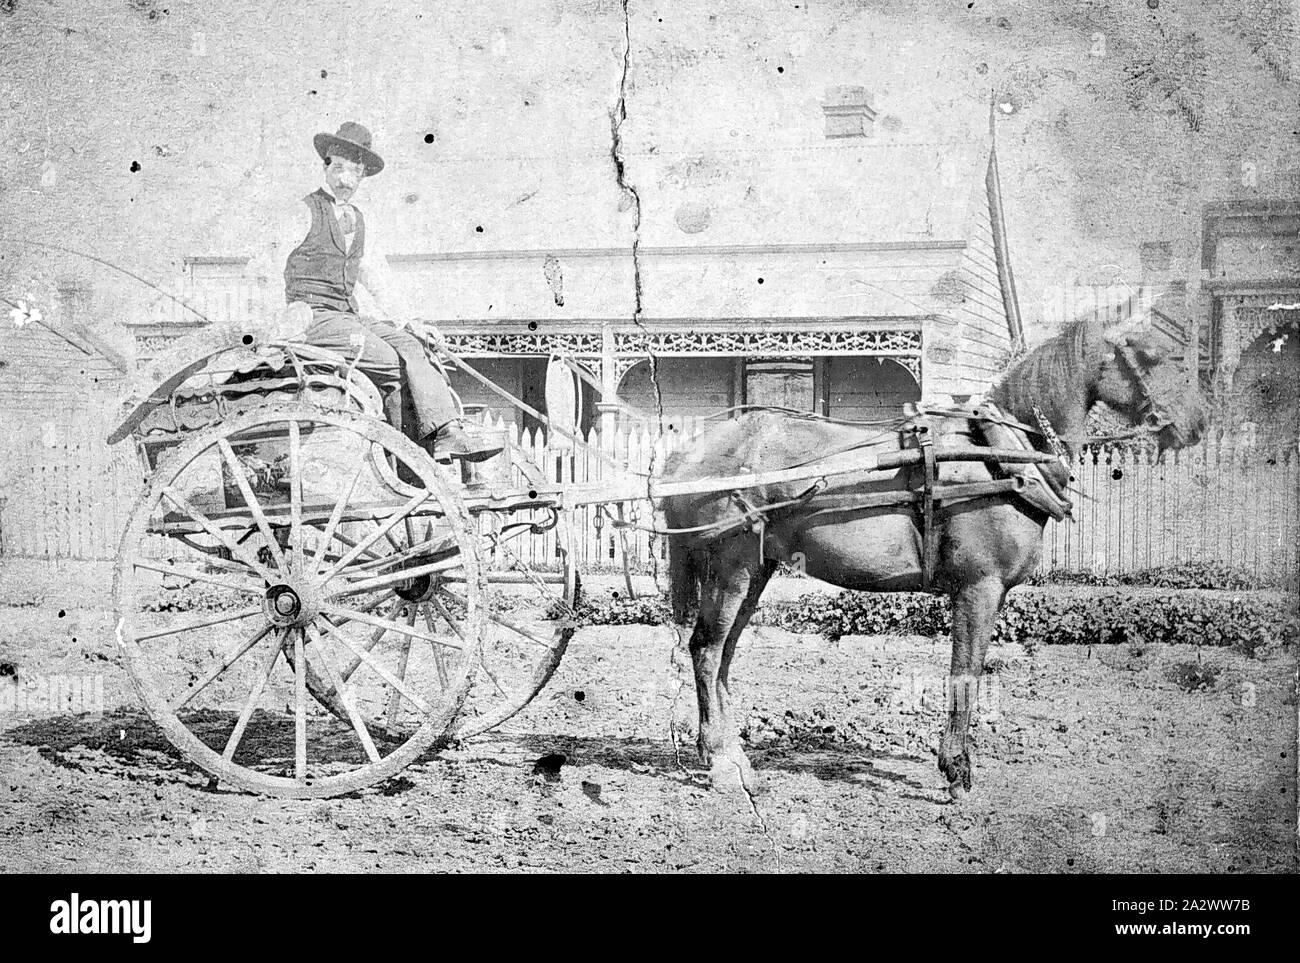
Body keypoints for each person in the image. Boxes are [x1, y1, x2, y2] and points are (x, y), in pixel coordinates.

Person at [255, 121, 500, 463]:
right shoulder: (303, 211)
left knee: (410, 347)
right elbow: (262, 267)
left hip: (346, 315)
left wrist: (410, 322)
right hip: (310, 318)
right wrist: (274, 324)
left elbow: (378, 280)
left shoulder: (358, 220)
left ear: (362, 177)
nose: (345, 180)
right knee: (386, 360)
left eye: (354, 173)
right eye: (338, 169)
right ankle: (404, 461)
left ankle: (445, 434)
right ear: (325, 168)